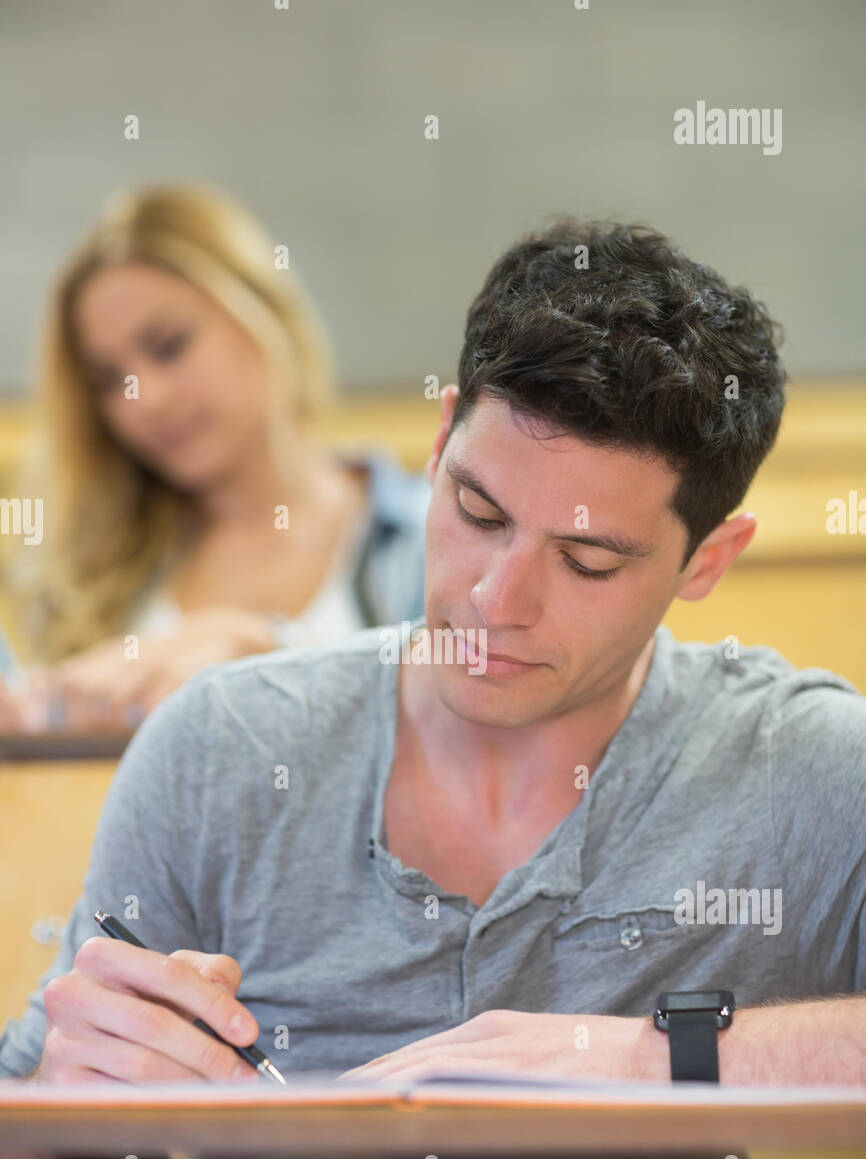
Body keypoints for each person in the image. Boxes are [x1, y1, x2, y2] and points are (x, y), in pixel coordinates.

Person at [1, 218, 864, 1087]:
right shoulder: (218, 752)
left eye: (586, 561)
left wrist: (652, 1056)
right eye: (478, 515)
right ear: (442, 441)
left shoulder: (804, 770)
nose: (496, 601)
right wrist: (58, 1115)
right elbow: (20, 1149)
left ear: (707, 559)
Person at [0, 183, 427, 732]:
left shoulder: (429, 537)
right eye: (108, 380)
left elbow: (470, 731)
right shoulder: (82, 577)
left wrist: (265, 648)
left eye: (169, 345)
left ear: (259, 311)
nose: (144, 400)